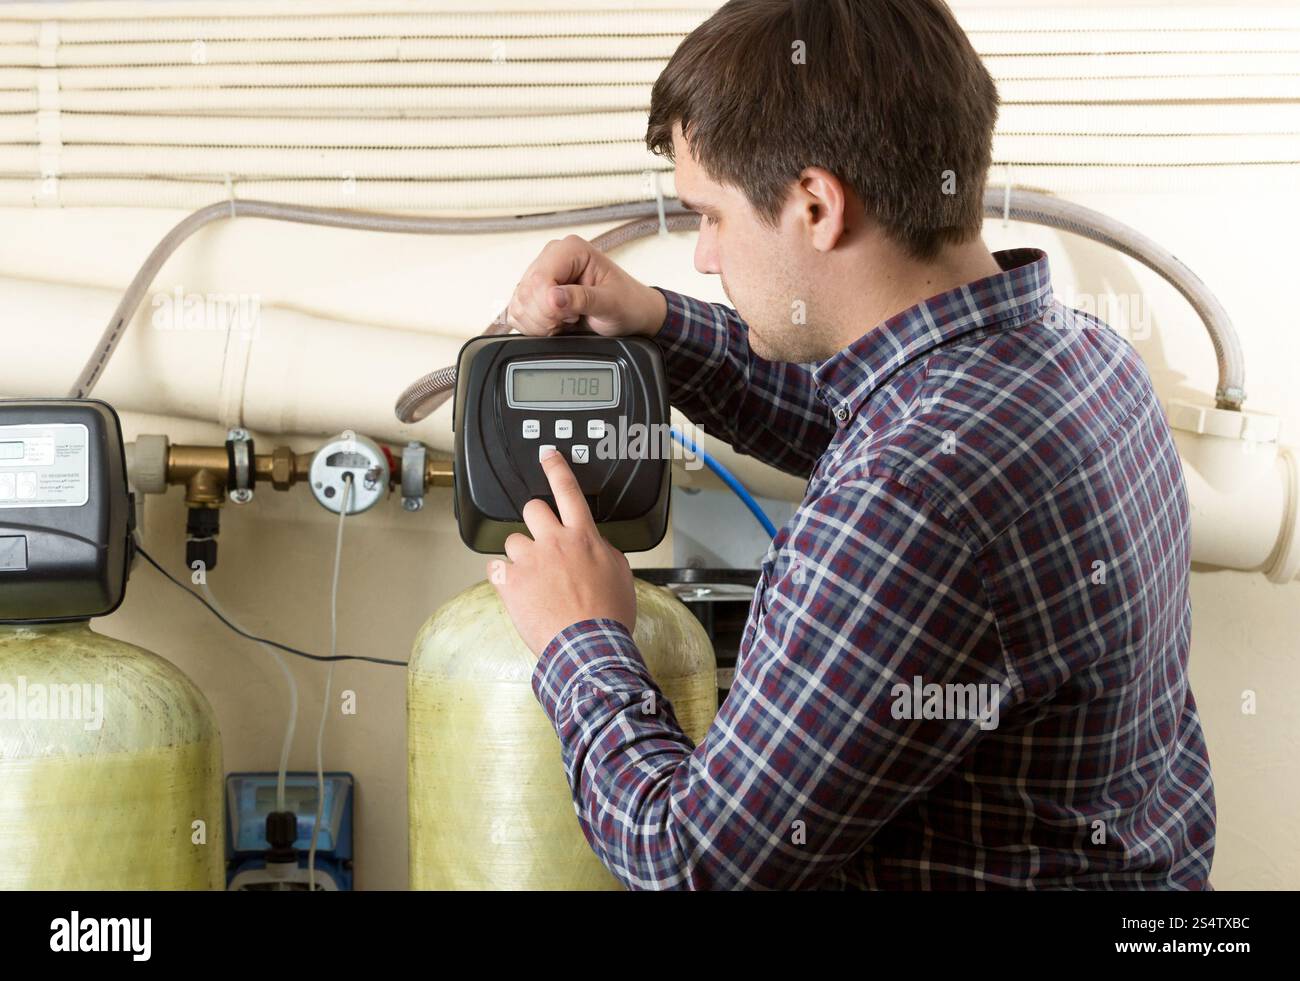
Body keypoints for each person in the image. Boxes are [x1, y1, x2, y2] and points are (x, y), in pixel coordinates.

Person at [491, 0, 1215, 889]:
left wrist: (580, 635)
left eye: (710, 216)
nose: (706, 258)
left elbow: (691, 860)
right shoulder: (1083, 357)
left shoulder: (911, 495)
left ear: (815, 204)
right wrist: (657, 323)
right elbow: (859, 415)